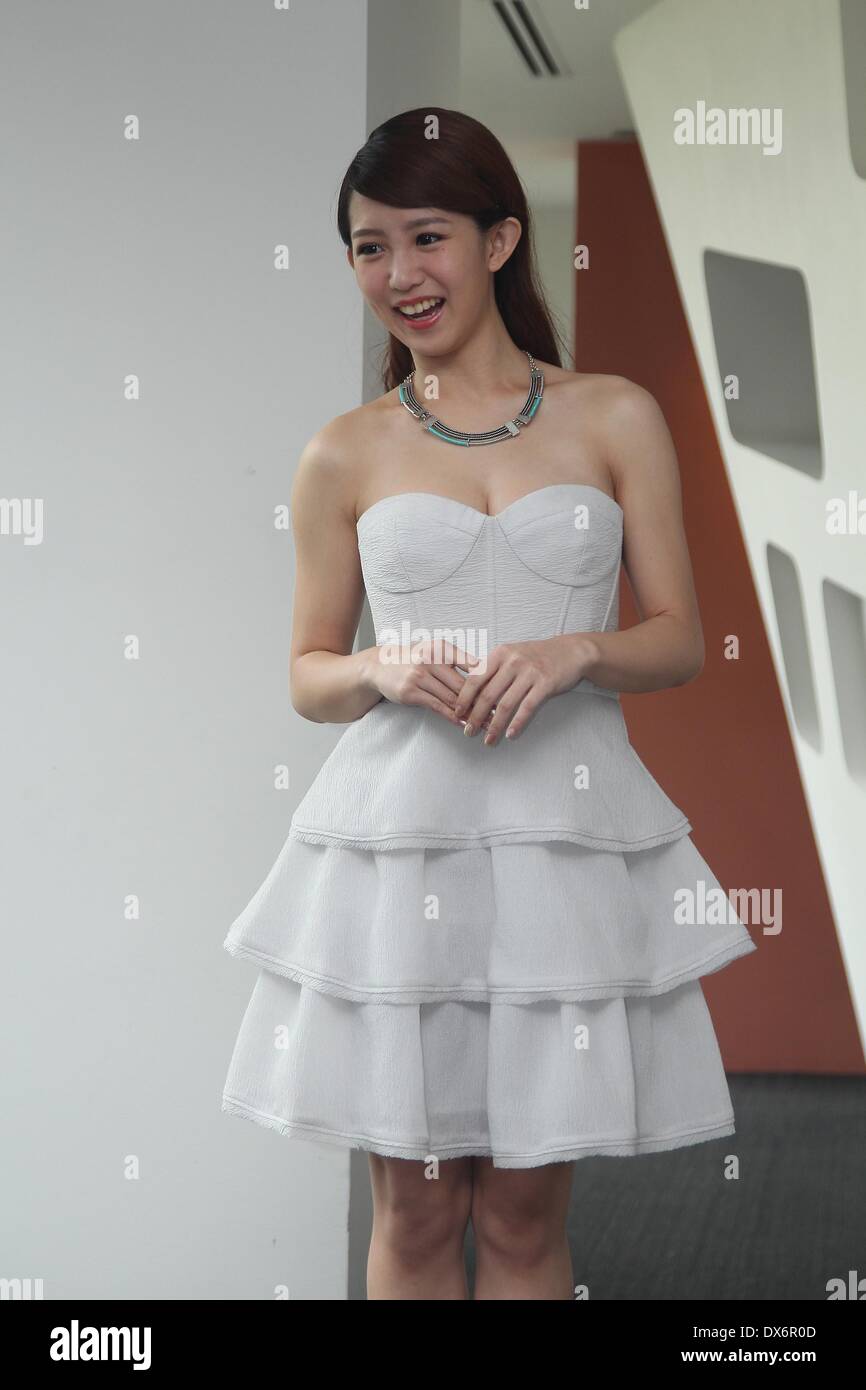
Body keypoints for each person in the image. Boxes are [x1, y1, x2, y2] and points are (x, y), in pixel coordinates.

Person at [220, 107, 757, 1301]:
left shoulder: (614, 413)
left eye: (427, 237)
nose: (398, 274)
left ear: (501, 238)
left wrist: (575, 651)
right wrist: (379, 670)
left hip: (559, 847)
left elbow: (676, 638)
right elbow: (308, 669)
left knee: (520, 1214)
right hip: (395, 851)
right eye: (368, 247)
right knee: (414, 1213)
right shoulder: (341, 454)